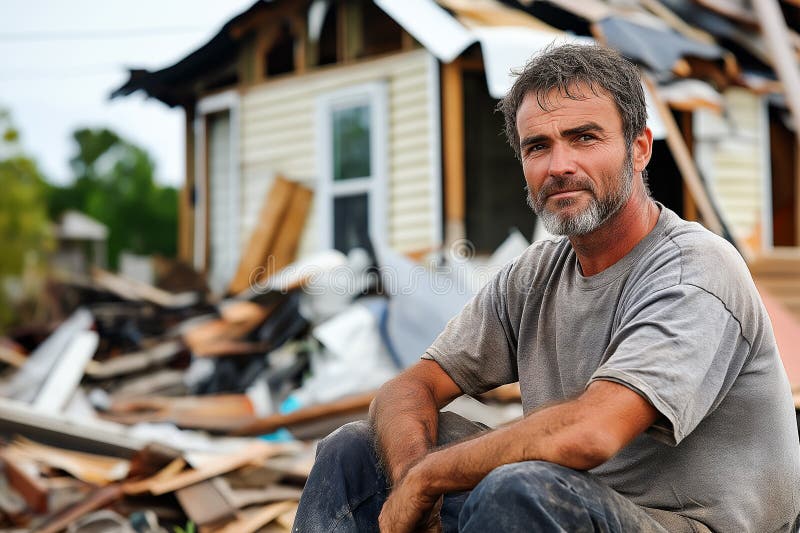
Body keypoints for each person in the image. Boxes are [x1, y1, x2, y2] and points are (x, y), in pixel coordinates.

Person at [293, 44, 800, 533]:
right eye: (539, 146)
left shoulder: (693, 269)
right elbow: (411, 387)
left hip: (687, 525)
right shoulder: (534, 275)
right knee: (353, 454)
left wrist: (430, 476)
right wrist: (408, 481)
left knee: (521, 489)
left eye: (584, 137)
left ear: (639, 148)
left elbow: (590, 432)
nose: (559, 166)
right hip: (569, 505)